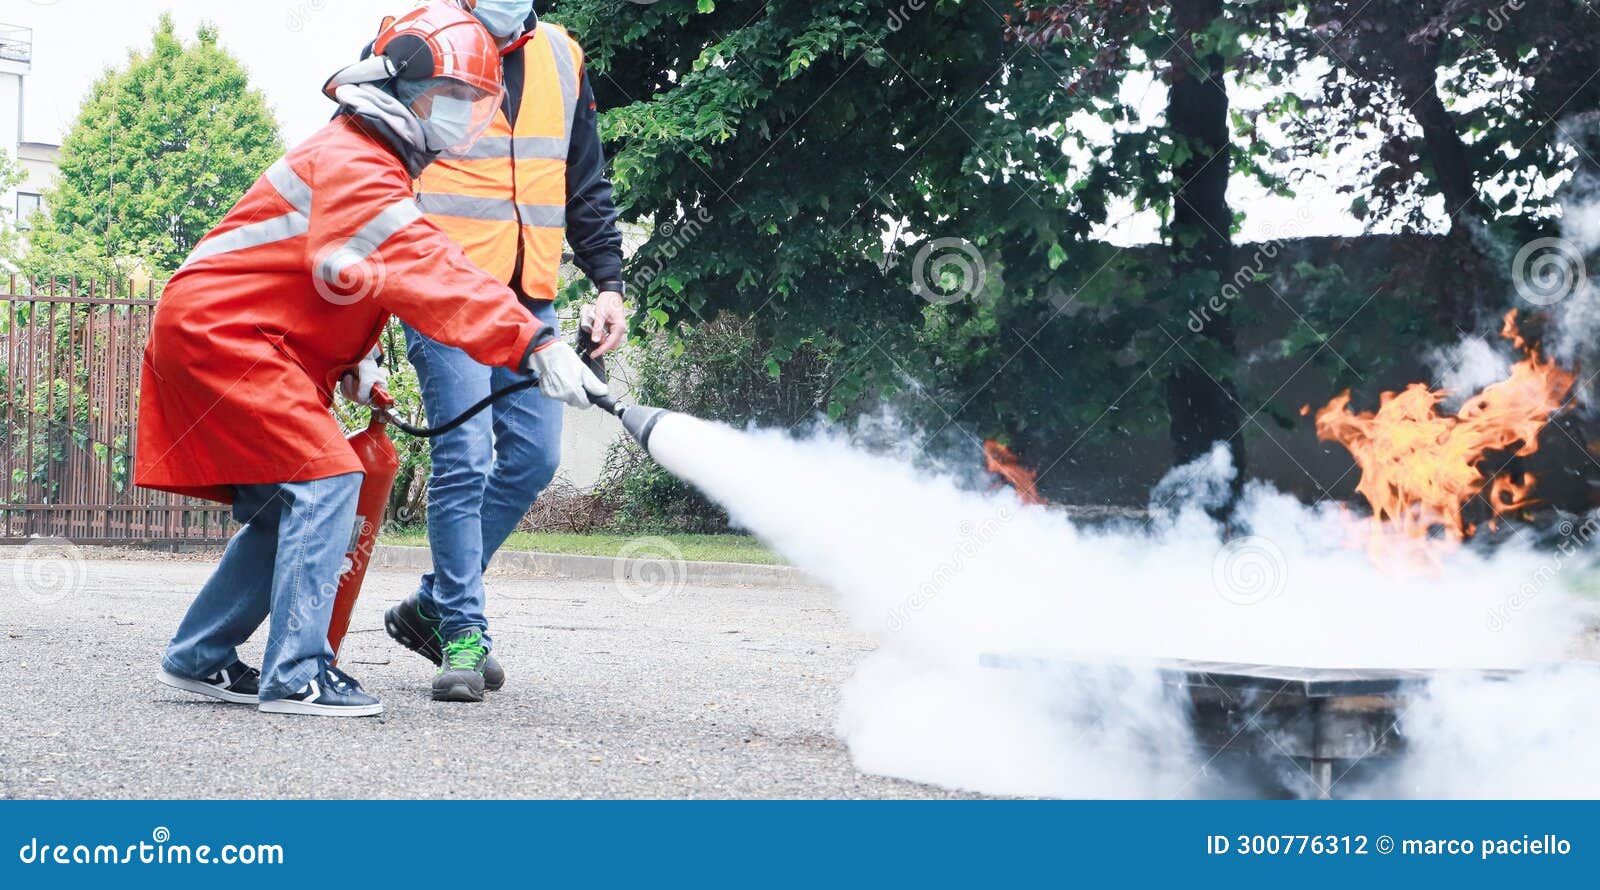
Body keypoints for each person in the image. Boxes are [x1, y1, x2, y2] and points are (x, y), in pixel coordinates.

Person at [139, 2, 607, 718]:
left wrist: (356, 359)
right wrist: (532, 340)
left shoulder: (367, 154)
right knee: (329, 479)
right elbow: (422, 265)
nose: (465, 119)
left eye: (474, 104)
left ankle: (198, 655)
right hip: (229, 337)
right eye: (454, 99)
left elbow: (339, 274)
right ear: (402, 88)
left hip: (231, 332)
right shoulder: (359, 162)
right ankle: (296, 676)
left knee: (279, 505)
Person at [379, 0, 629, 703]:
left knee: (534, 456)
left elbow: (585, 181)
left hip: (530, 298)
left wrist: (608, 283)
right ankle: (462, 631)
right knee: (464, 459)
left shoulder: (562, 55)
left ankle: (433, 602)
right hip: (443, 289)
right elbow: (373, 171)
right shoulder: (418, 39)